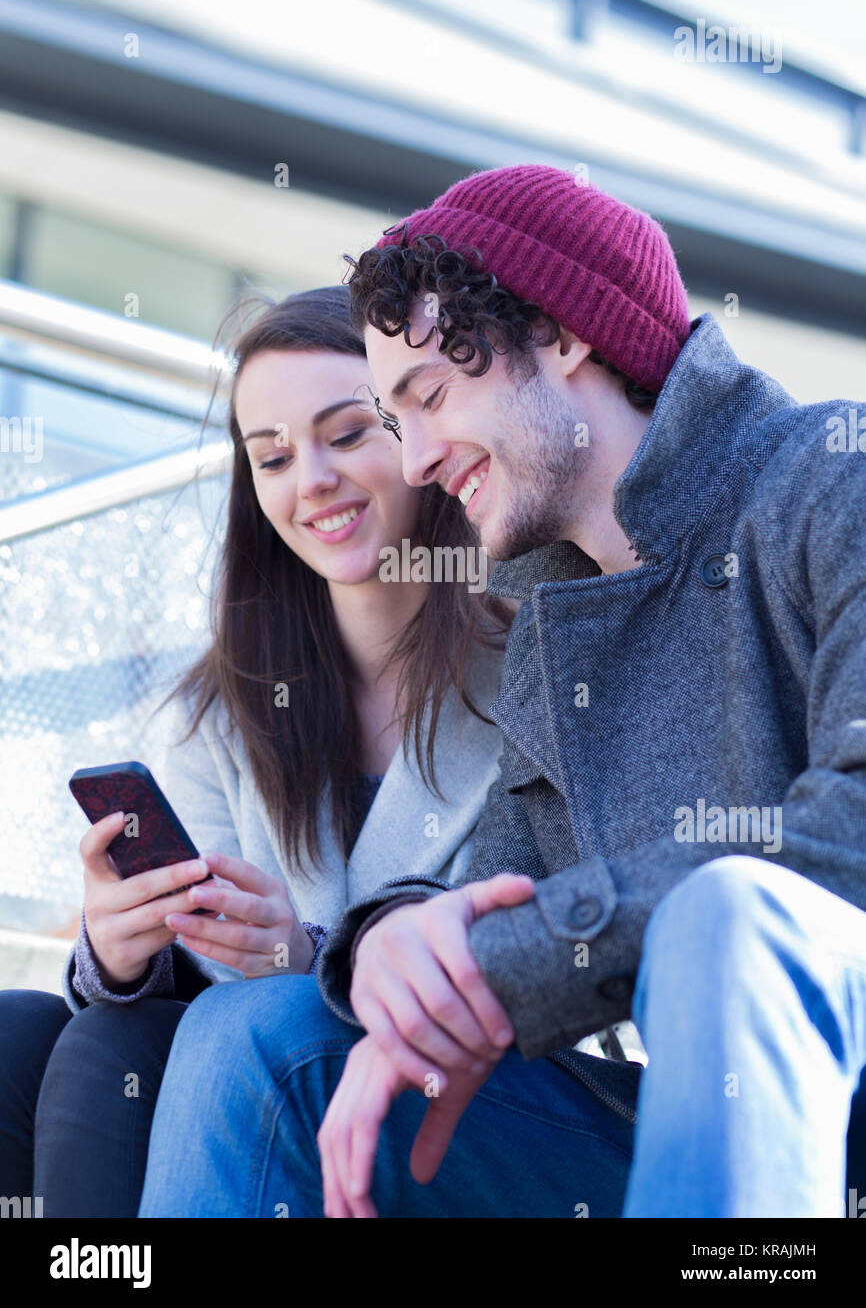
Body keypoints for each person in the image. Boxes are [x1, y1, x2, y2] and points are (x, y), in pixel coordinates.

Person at [138, 165, 866, 1219]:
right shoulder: (552, 628)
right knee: (270, 1045)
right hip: (682, 1138)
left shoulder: (829, 478)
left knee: (730, 917)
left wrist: (513, 951)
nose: (419, 461)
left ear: (562, 336)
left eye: (428, 399)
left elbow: (850, 834)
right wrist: (391, 948)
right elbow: (496, 898)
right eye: (395, 419)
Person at [0, 284, 512, 1218]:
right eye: (270, 457)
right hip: (232, 1063)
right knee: (22, 1034)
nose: (308, 478)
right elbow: (180, 982)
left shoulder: (533, 676)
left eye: (350, 433)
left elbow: (521, 955)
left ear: (428, 435)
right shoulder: (215, 709)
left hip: (448, 1090)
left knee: (152, 1045)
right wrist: (122, 953)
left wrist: (304, 952)